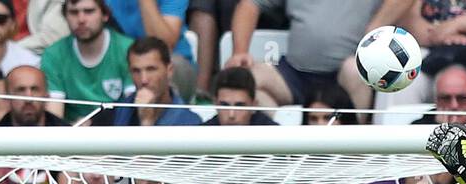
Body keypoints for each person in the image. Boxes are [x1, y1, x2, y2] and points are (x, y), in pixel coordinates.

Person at [226, 0, 386, 111]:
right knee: (248, 78)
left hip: (342, 78)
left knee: (355, 69)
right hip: (295, 74)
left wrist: (377, 24)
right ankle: (279, 150)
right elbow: (250, 4)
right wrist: (240, 51)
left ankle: (356, 147)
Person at [41, 0, 134, 122]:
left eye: (89, 11)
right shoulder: (53, 55)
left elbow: (133, 110)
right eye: (74, 12)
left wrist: (94, 125)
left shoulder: (128, 50)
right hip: (72, 134)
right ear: (65, 16)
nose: (81, 19)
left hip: (119, 134)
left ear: (105, 15)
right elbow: (54, 118)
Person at [94, 35, 200, 125]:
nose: (143, 80)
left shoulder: (190, 124)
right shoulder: (114, 115)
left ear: (169, 70)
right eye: (136, 71)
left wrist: (146, 121)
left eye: (151, 69)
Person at [0, 64, 70, 125]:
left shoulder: (69, 136)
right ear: (6, 98)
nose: (29, 98)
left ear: (47, 96)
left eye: (35, 89)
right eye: (20, 90)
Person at [203, 65, 275, 125]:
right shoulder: (200, 136)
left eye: (239, 106)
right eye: (225, 105)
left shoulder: (275, 136)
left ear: (254, 105)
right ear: (215, 103)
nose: (231, 115)